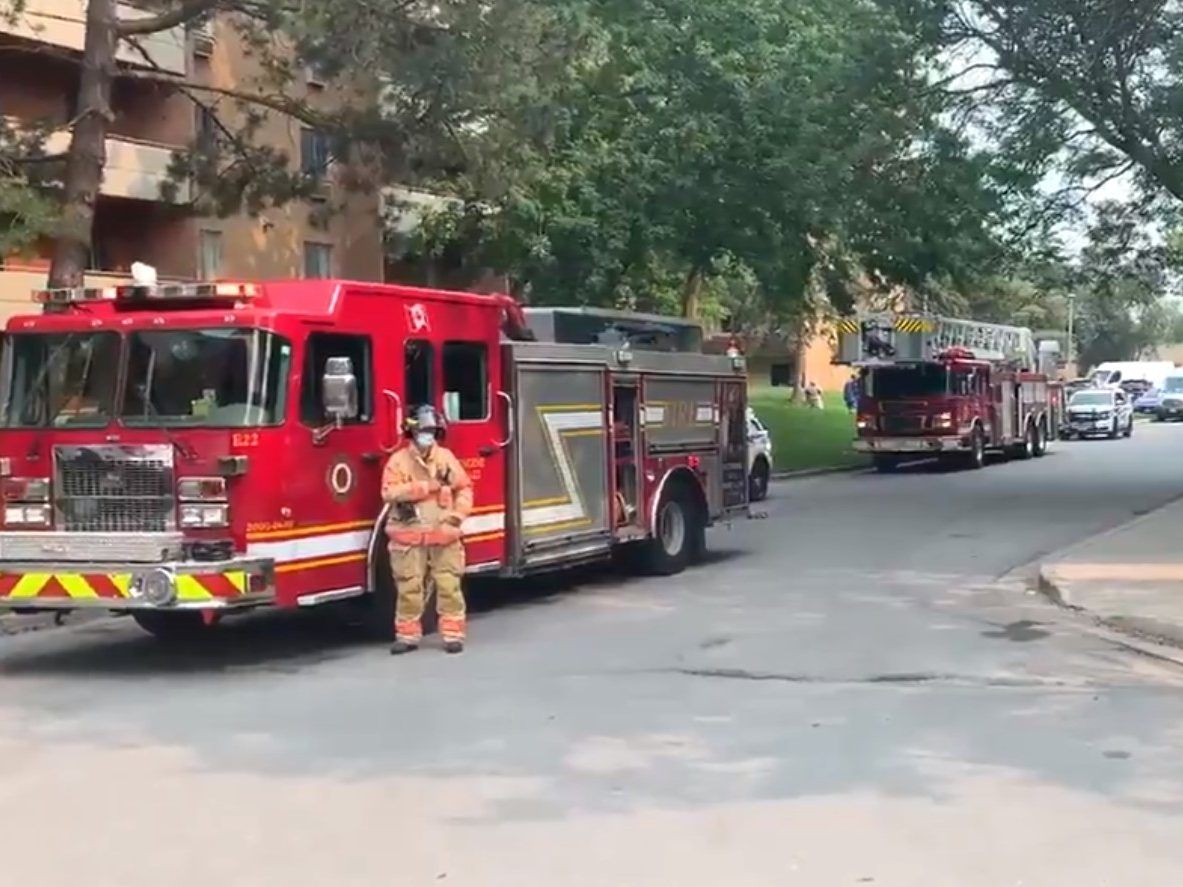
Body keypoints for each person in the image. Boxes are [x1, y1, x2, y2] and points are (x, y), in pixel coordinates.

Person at [381, 404, 473, 655]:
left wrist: (457, 516)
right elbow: (389, 492)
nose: (427, 435)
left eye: (431, 430)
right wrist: (425, 487)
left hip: (444, 535)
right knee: (409, 588)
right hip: (409, 537)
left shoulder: (446, 459)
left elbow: (464, 488)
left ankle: (453, 635)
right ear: (412, 432)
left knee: (449, 585)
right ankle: (407, 636)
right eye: (423, 430)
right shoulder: (398, 461)